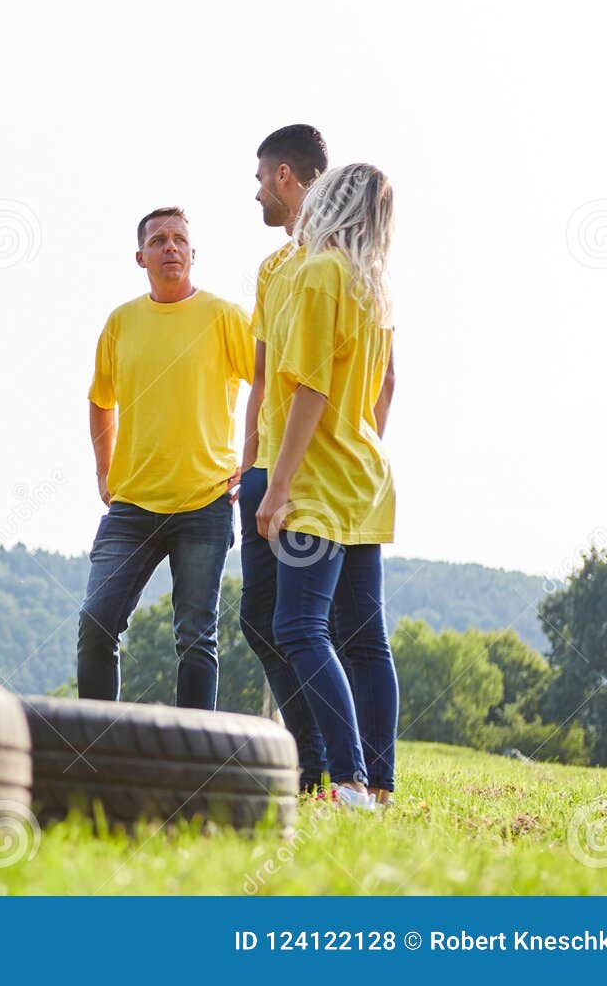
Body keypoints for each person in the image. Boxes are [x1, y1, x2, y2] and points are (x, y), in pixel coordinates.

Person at [256, 163, 399, 809]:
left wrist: (277, 484)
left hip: (318, 481)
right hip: (365, 479)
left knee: (298, 627)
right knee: (366, 639)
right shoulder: (373, 284)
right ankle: (379, 784)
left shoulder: (317, 274)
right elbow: (386, 386)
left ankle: (345, 779)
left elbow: (309, 387)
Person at [77, 208, 253, 707]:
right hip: (131, 506)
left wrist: (253, 458)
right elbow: (99, 399)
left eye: (179, 240)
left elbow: (268, 385)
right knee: (96, 622)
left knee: (196, 638)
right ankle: (95, 751)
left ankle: (193, 771)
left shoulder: (224, 316)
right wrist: (103, 472)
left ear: (193, 253)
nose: (170, 248)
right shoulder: (122, 321)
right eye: (159, 241)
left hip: (204, 504)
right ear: (141, 256)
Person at [239, 123, 332, 790]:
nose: (255, 194)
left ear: (284, 178)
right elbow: (264, 378)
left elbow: (378, 378)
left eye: (258, 178)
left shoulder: (339, 260)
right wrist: (251, 467)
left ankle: (340, 764)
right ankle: (311, 760)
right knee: (259, 618)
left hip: (316, 474)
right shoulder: (272, 268)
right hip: (266, 469)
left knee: (312, 625)